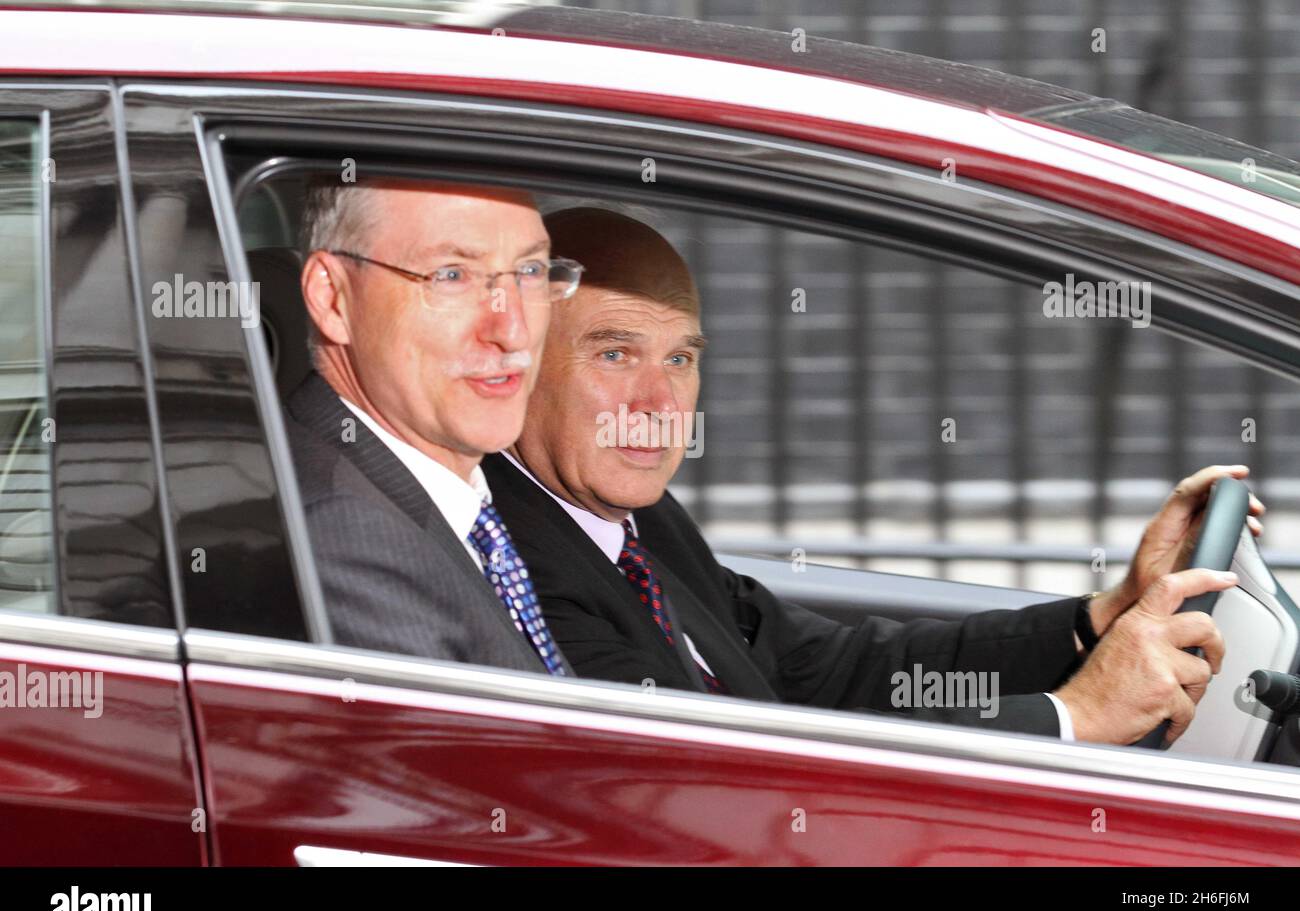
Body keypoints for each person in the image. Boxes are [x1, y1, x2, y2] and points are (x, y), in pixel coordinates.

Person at [482, 206, 1264, 744]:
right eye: (614, 355)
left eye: (681, 360)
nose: (658, 403)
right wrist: (1073, 718)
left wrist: (1106, 613)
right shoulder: (516, 563)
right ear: (520, 369)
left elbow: (828, 669)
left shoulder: (636, 522)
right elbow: (727, 785)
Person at [286, 178, 583, 674]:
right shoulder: (347, 537)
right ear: (332, 298)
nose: (513, 330)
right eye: (452, 276)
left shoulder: (432, 493)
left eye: (530, 271)